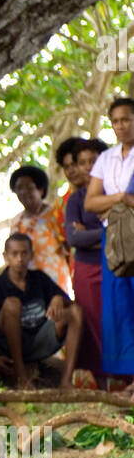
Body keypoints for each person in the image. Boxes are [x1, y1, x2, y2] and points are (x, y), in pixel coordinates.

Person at [0, 233, 83, 389]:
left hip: (38, 342)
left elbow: (66, 299)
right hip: (8, 349)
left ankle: (66, 381)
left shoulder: (39, 278)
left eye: (24, 253)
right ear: (5, 256)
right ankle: (22, 378)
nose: (20, 258)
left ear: (31, 255)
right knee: (12, 304)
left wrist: (58, 298)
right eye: (14, 254)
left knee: (75, 311)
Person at [84, 95, 134, 398]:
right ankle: (129, 378)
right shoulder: (106, 158)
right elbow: (91, 202)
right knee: (120, 307)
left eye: (126, 119)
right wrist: (120, 199)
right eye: (115, 121)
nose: (120, 125)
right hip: (114, 240)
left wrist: (110, 202)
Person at [65, 137, 108, 386]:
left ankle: (126, 381)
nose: (89, 166)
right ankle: (102, 383)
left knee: (119, 320)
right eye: (82, 162)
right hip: (85, 269)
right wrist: (107, 234)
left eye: (94, 160)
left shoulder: (116, 192)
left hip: (117, 267)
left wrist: (88, 237)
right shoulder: (75, 200)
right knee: (91, 324)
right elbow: (73, 238)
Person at [9, 163, 72, 296]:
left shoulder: (55, 215)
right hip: (26, 285)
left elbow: (69, 248)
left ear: (41, 190)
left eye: (29, 187)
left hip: (54, 282)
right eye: (19, 188)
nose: (23, 192)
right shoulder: (15, 222)